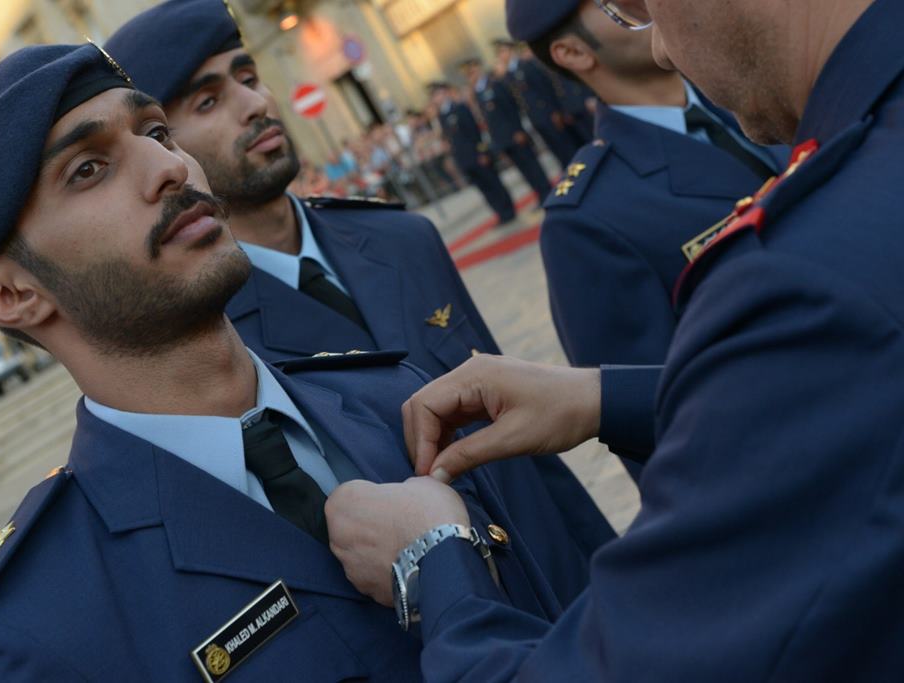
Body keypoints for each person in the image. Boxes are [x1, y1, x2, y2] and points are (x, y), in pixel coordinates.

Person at [0, 43, 580, 682]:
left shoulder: (399, 401)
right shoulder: (31, 632)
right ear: (10, 295)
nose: (169, 167)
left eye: (155, 131)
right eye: (88, 168)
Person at [324, 0, 904, 679]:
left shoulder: (794, 273)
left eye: (641, 5)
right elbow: (834, 385)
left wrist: (433, 559)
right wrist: (608, 396)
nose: (659, 49)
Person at [106, 0, 616, 586]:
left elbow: (525, 445)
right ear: (166, 151)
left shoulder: (402, 238)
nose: (256, 104)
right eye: (209, 100)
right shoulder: (214, 335)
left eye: (248, 78)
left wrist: (610, 570)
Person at [510, 0, 786, 370]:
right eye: (614, 4)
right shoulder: (586, 221)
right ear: (574, 52)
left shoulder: (764, 91)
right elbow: (651, 401)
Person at [461, 57, 554, 203]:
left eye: (472, 72)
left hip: (514, 134)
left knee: (532, 165)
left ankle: (547, 192)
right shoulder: (478, 93)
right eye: (468, 75)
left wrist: (518, 130)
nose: (471, 77)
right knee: (523, 170)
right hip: (502, 139)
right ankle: (540, 195)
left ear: (479, 70)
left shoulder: (495, 84)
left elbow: (511, 108)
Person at [429, 81, 517, 224]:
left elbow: (474, 132)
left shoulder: (460, 108)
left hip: (476, 155)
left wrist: (482, 152)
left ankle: (509, 210)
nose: (435, 99)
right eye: (433, 96)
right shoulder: (441, 117)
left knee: (493, 182)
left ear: (445, 94)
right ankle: (500, 213)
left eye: (437, 95)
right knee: (483, 188)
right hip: (464, 159)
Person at [493, 38, 583, 168]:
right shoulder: (508, 75)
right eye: (498, 54)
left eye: (502, 52)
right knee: (557, 151)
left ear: (510, 51)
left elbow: (544, 88)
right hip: (535, 118)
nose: (500, 56)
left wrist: (556, 111)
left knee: (567, 146)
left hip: (548, 113)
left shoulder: (526, 65)